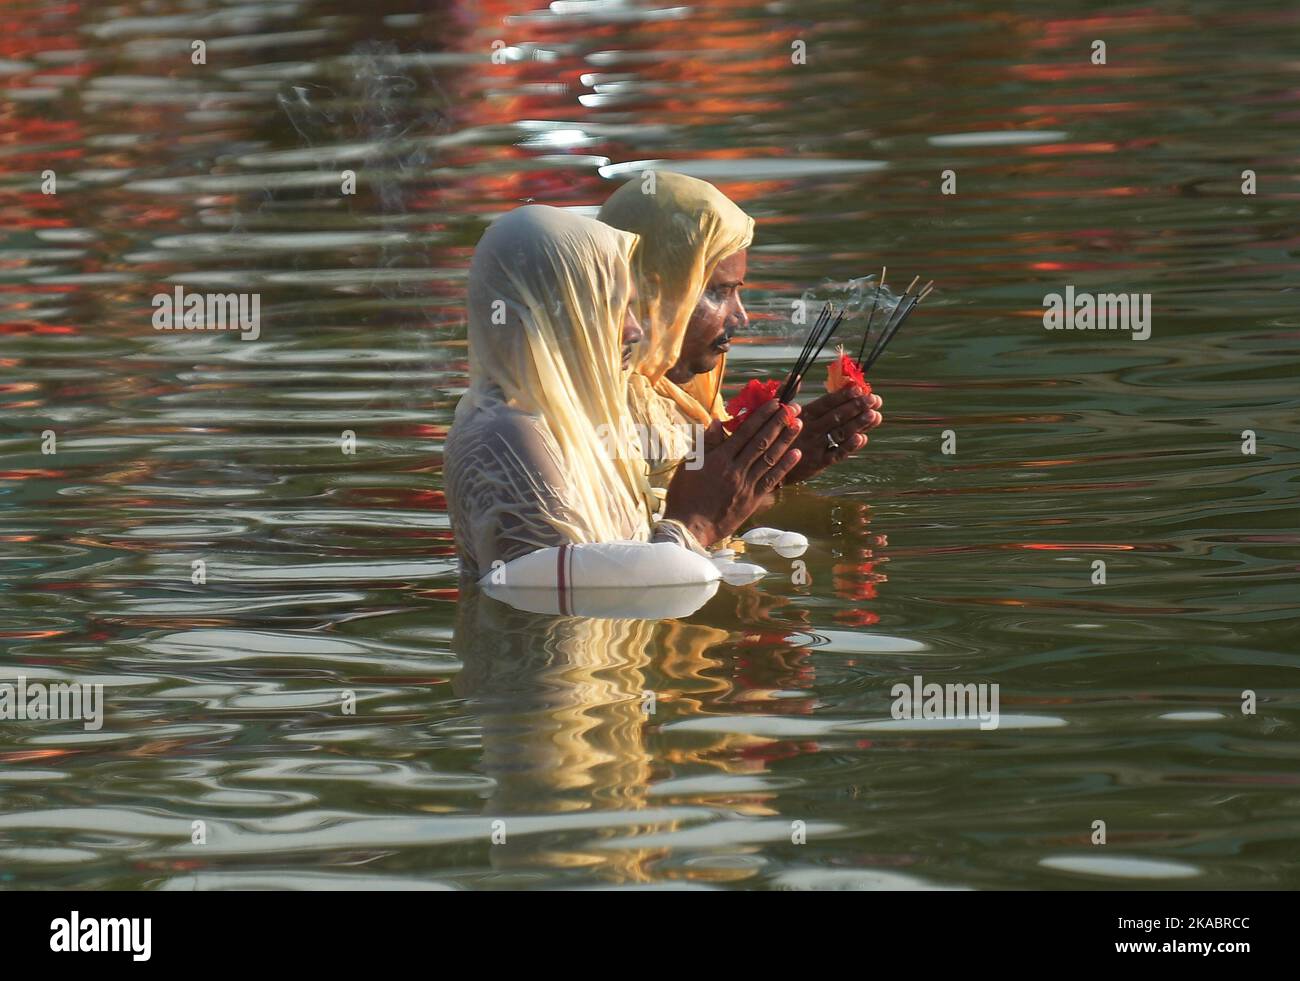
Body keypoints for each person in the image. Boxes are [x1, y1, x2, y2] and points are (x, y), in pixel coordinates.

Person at [444, 205, 805, 582]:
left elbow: (617, 557)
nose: (635, 330)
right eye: (613, 307)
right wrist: (695, 524)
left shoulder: (571, 422)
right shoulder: (509, 434)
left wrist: (752, 482)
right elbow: (568, 612)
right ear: (556, 313)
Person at [598, 171, 884, 491]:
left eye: (738, 292)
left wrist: (777, 467)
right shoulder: (609, 412)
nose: (741, 317)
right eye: (720, 293)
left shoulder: (690, 395)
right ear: (656, 293)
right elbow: (658, 533)